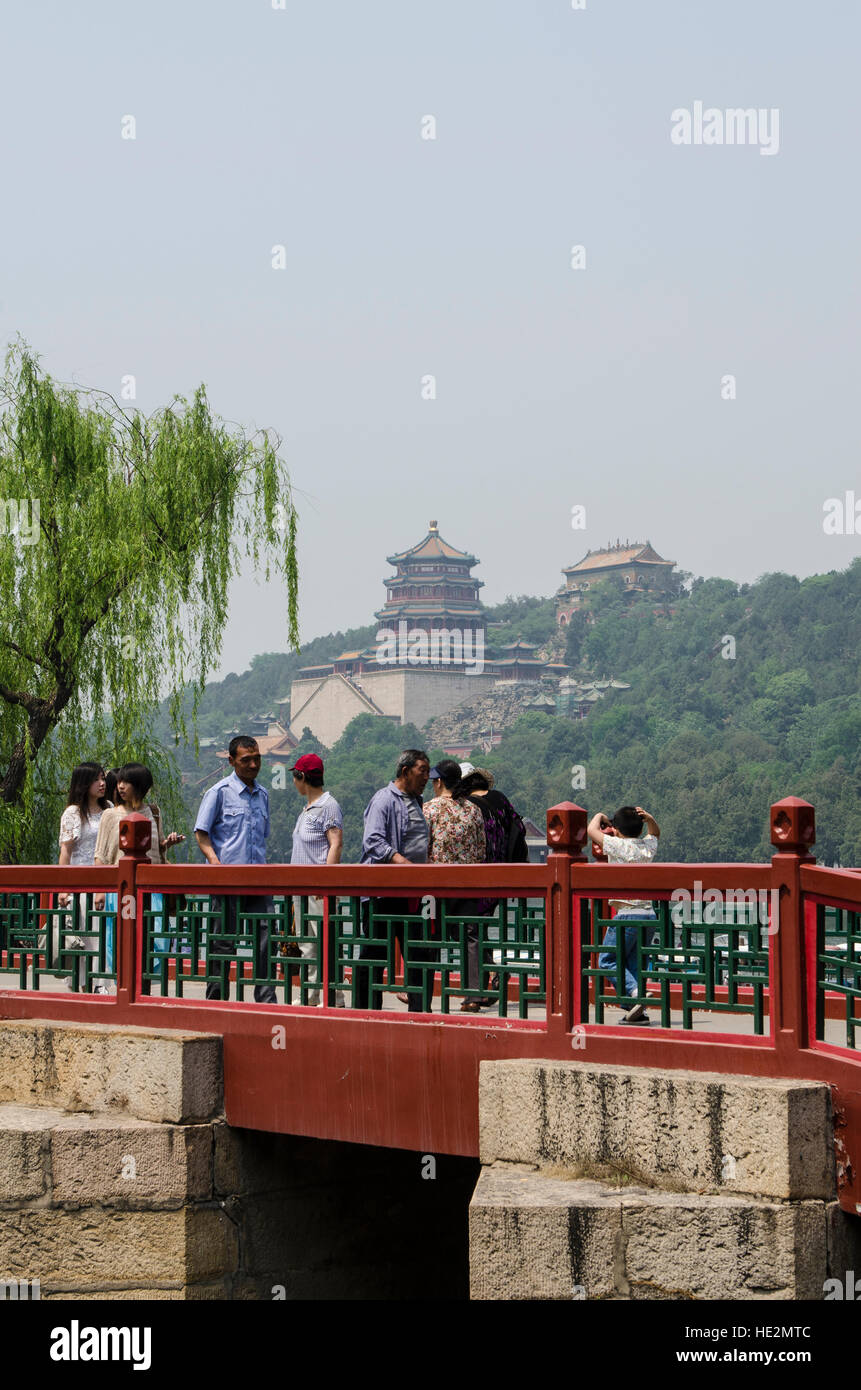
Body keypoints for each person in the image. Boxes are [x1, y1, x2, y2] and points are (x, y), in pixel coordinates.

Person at [194, 736, 277, 1004]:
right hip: (226, 882)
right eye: (246, 760)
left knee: (267, 939)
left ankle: (266, 1000)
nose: (253, 765)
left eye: (257, 759)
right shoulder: (218, 793)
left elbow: (262, 838)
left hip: (259, 881)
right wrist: (215, 865)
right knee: (222, 943)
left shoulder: (263, 794)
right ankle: (216, 1000)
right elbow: (201, 833)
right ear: (231, 761)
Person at [94, 764, 185, 989]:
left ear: (141, 787)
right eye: (120, 781)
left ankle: (143, 988)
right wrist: (99, 891)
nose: (120, 786)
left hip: (150, 890)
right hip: (120, 892)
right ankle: (126, 990)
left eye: (127, 782)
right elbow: (101, 856)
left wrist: (167, 843)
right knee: (119, 946)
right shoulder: (110, 815)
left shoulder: (153, 811)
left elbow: (157, 848)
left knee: (157, 943)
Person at [354, 749, 431, 1012]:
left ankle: (420, 1012)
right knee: (375, 954)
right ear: (405, 770)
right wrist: (404, 864)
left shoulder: (417, 801)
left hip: (413, 892)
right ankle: (366, 1011)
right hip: (383, 892)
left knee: (419, 953)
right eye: (422, 770)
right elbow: (373, 841)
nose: (427, 777)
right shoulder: (384, 799)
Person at [459, 767, 529, 1008]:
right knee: (479, 928)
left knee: (470, 930)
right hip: (502, 876)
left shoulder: (466, 805)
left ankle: (475, 992)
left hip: (476, 877)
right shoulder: (500, 798)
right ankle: (492, 976)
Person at [587, 804, 661, 1025]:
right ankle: (637, 1012)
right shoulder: (646, 847)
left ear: (616, 829)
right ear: (640, 829)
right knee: (634, 963)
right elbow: (655, 833)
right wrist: (650, 818)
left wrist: (600, 815)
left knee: (607, 960)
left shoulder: (616, 845)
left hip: (627, 914)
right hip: (649, 915)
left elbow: (591, 830)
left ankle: (636, 992)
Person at [424, 759, 487, 1012]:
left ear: (439, 782)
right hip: (468, 884)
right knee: (471, 938)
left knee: (431, 938)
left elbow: (422, 848)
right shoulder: (474, 810)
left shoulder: (430, 809)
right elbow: (482, 849)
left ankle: (423, 995)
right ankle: (473, 995)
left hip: (437, 886)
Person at [289, 752, 345, 1007]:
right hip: (301, 889)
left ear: (302, 777)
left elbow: (336, 844)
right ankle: (310, 996)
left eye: (295, 776)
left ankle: (335, 997)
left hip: (318, 889)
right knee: (307, 946)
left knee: (327, 944)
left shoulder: (328, 805)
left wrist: (326, 882)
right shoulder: (306, 809)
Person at [56, 763, 113, 992]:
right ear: (83, 783)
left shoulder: (109, 808)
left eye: (103, 778)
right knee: (83, 937)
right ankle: (81, 983)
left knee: (102, 936)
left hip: (105, 882)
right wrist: (63, 888)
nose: (102, 783)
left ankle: (100, 984)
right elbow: (66, 852)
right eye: (96, 779)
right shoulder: (73, 812)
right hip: (80, 883)